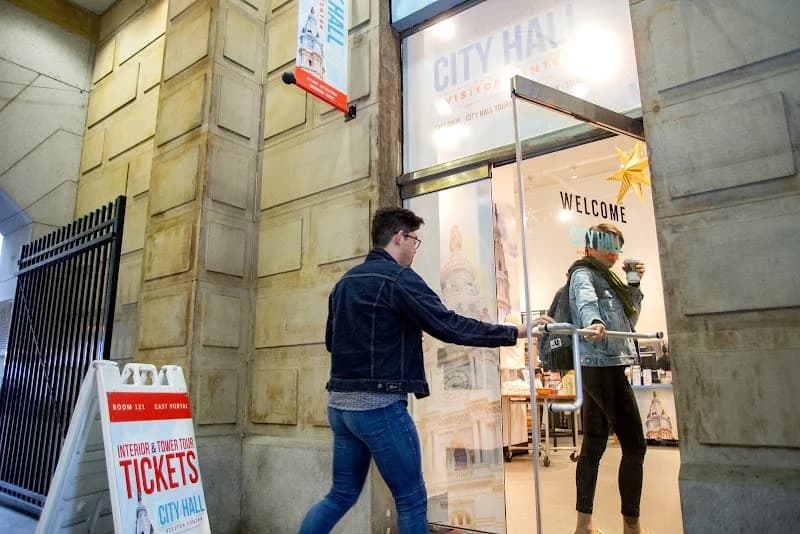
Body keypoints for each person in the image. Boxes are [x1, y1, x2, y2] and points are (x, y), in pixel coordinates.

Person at [299, 207, 550, 534]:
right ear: (399, 237)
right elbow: (450, 326)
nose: (415, 249)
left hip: (340, 408)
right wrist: (514, 332)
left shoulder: (345, 283)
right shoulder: (400, 279)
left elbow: (332, 341)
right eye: (414, 241)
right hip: (379, 407)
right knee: (412, 498)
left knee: (340, 494)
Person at [567, 223, 647, 534]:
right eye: (608, 244)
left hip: (609, 364)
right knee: (635, 446)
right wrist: (594, 322)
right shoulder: (582, 274)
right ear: (590, 246)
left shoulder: (612, 280)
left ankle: (583, 525)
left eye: (617, 245)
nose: (614, 251)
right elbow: (586, 302)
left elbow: (630, 321)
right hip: (599, 364)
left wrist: (635, 286)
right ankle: (632, 526)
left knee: (593, 446)